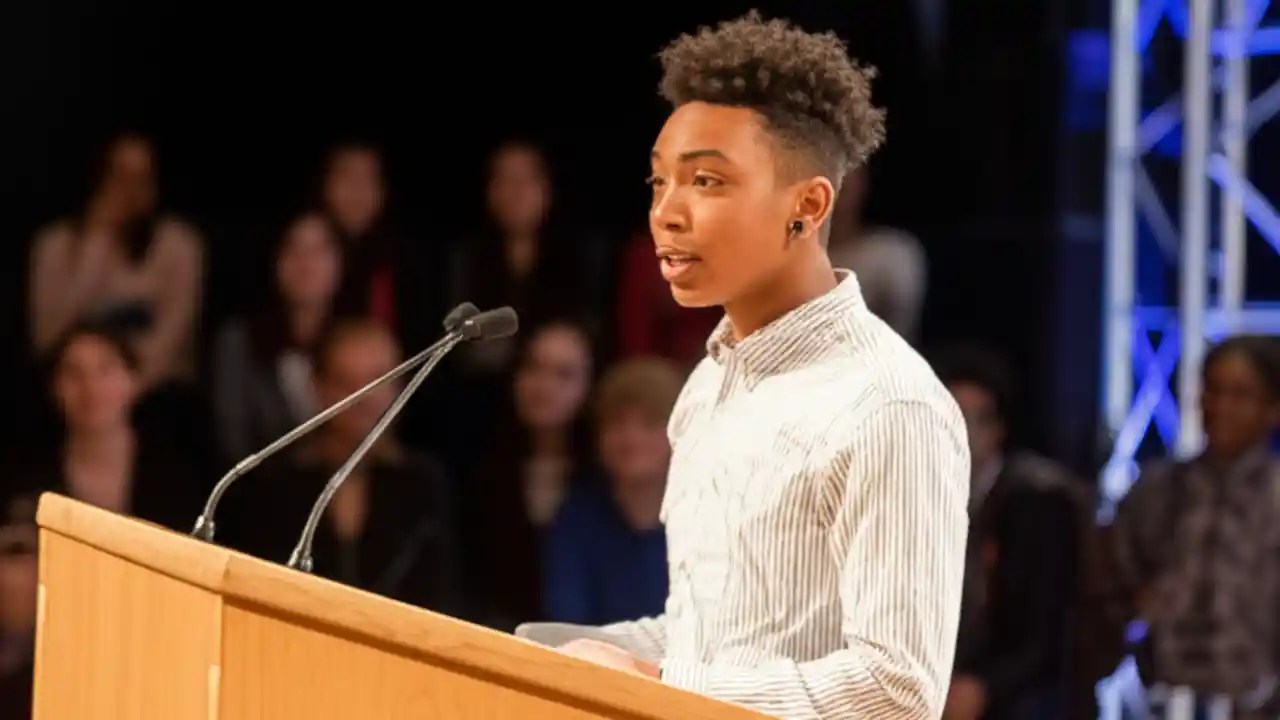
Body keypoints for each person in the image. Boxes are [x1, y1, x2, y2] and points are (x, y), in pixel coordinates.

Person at [518, 12, 970, 719]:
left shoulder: (889, 406)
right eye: (658, 182)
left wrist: (652, 681)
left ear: (809, 205)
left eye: (706, 181)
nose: (667, 212)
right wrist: (545, 659)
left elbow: (897, 691)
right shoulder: (707, 386)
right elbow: (710, 635)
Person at [220, 320, 461, 614]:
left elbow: (439, 598)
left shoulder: (422, 482)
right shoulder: (274, 481)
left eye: (379, 381)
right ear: (318, 387)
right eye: (347, 383)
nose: (365, 399)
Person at [1111, 335, 1280, 718]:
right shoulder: (1155, 490)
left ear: (1273, 408)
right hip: (1157, 701)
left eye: (1240, 394)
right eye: (1213, 390)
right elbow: (1117, 588)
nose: (1220, 407)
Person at [934, 344, 1081, 720]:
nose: (959, 432)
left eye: (972, 418)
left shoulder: (1037, 503)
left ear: (997, 429)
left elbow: (1045, 634)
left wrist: (984, 686)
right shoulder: (907, 496)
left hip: (1011, 693)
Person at [27, 132, 204, 393]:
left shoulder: (178, 244)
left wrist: (119, 388)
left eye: (141, 178)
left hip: (154, 390)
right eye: (119, 174)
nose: (129, 189)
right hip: (75, 391)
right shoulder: (55, 243)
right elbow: (48, 337)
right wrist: (95, 244)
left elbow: (172, 338)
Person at [462, 319, 596, 630]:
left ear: (589, 386)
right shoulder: (478, 469)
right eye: (533, 367)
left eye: (563, 375)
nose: (543, 386)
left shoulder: (605, 477)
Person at [11, 322, 202, 533]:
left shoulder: (179, 468)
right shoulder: (24, 473)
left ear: (134, 381)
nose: (91, 387)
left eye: (106, 370)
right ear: (54, 388)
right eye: (74, 373)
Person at [541, 357, 681, 626]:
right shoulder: (575, 519)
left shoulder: (706, 515)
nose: (631, 438)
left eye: (649, 423)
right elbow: (567, 626)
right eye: (617, 423)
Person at [212, 212, 343, 464]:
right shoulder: (238, 341)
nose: (306, 263)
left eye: (318, 250)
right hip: (263, 489)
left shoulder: (362, 341)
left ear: (339, 263)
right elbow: (232, 442)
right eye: (293, 249)